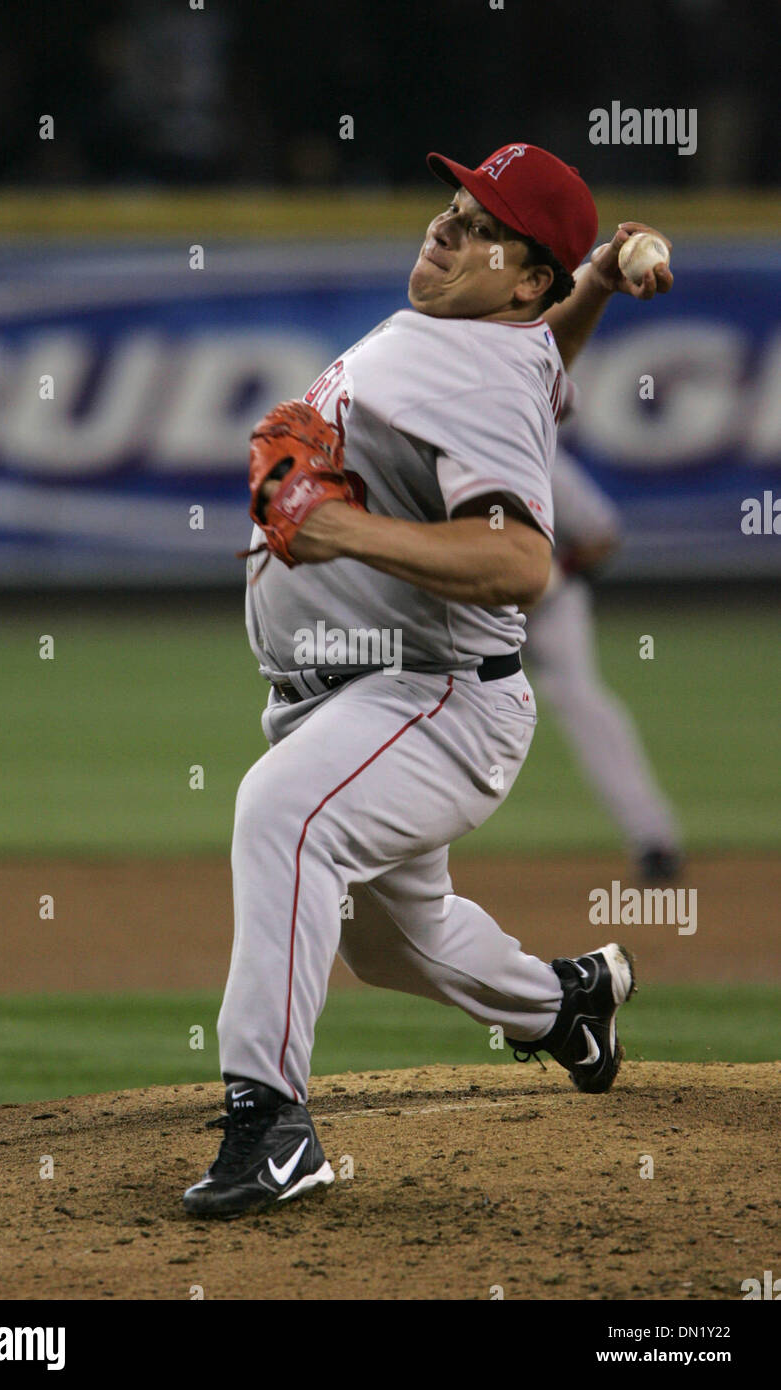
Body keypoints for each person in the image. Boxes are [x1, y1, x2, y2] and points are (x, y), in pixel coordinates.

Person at [183, 142, 673, 1219]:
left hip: (434, 696)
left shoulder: (474, 366)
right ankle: (565, 1003)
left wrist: (342, 528)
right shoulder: (489, 341)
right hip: (362, 697)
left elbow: (519, 562)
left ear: (523, 277)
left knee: (282, 812)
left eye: (479, 225)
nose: (445, 228)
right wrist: (595, 284)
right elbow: (536, 367)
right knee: (398, 944)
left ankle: (271, 1126)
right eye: (450, 207)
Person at [527, 449, 684, 883]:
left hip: (549, 607)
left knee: (581, 701)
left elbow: (603, 536)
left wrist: (551, 574)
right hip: (466, 604)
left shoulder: (546, 463)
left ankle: (653, 837)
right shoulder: (439, 452)